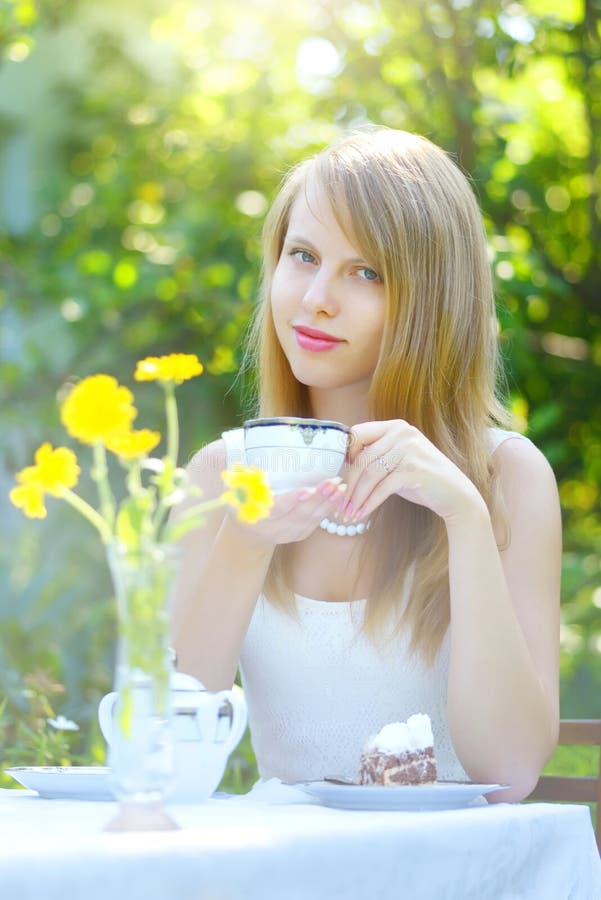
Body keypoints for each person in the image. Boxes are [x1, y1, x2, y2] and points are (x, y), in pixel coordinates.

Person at [171, 127, 561, 802]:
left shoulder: (507, 479)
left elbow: (509, 774)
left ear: (432, 301)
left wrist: (465, 519)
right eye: (303, 256)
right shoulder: (219, 477)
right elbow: (166, 754)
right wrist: (244, 543)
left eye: (366, 272)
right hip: (284, 857)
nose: (316, 297)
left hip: (452, 858)